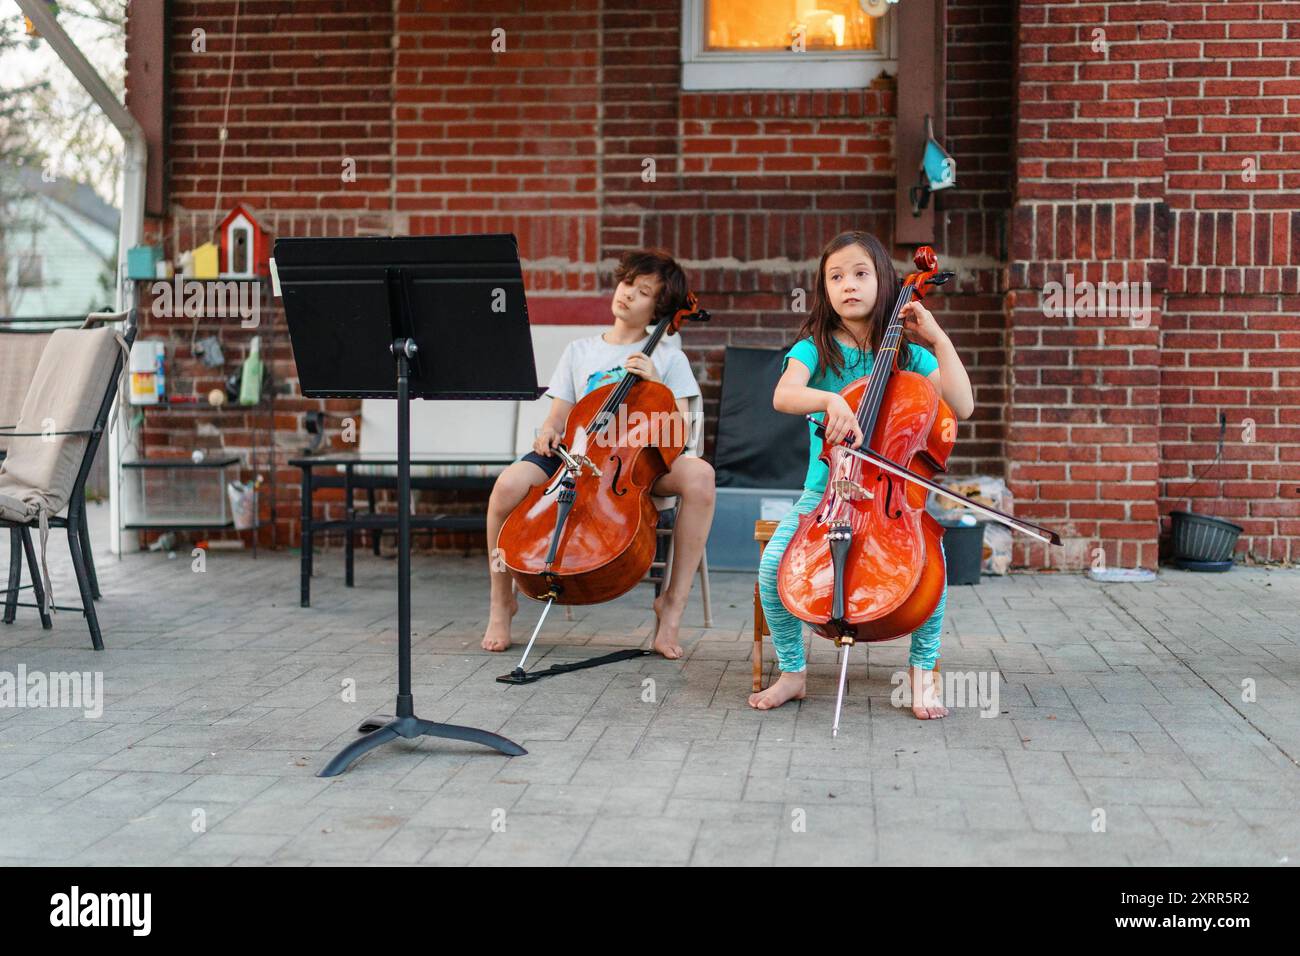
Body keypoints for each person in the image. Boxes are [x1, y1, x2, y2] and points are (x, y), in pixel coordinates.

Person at [750, 231, 975, 719]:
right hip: (824, 496)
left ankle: (922, 675)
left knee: (928, 574)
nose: (848, 284)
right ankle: (793, 673)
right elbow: (784, 395)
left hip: (893, 501)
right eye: (836, 276)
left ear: (886, 283)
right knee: (771, 573)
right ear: (824, 289)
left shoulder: (910, 356)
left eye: (860, 273)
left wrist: (936, 337)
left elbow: (963, 405)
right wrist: (831, 399)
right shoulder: (816, 349)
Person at [481, 249, 715, 659]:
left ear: (659, 309)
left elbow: (680, 433)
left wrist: (657, 383)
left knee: (701, 477)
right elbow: (559, 417)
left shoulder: (668, 357)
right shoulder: (580, 350)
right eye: (628, 284)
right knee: (506, 487)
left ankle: (671, 606)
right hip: (576, 454)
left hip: (639, 460)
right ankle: (502, 599)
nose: (627, 294)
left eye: (643, 292)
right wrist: (549, 434)